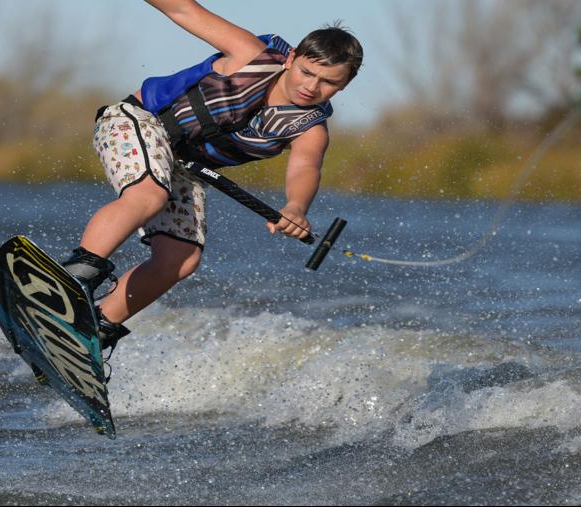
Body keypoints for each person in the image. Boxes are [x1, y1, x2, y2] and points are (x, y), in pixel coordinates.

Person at [60, 0, 361, 356]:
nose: (311, 87)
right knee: (148, 196)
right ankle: (71, 283)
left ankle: (89, 332)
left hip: (178, 166)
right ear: (292, 57)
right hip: (135, 122)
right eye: (307, 72)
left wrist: (296, 207)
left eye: (329, 83)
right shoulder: (252, 53)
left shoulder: (310, 129)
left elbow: (305, 168)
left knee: (182, 259)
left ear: (344, 86)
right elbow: (183, 10)